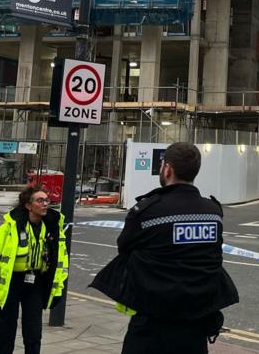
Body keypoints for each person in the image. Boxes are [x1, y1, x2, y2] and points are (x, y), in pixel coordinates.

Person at [91, 142, 239, 354]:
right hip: (195, 326)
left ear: (167, 169)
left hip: (152, 326)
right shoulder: (213, 212)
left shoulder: (147, 211)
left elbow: (124, 247)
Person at [0, 186, 68, 354]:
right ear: (28, 206)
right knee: (6, 335)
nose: (45, 204)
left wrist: (58, 291)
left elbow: (61, 262)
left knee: (34, 334)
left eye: (46, 200)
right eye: (40, 200)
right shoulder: (8, 229)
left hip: (35, 284)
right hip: (11, 284)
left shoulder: (53, 228)